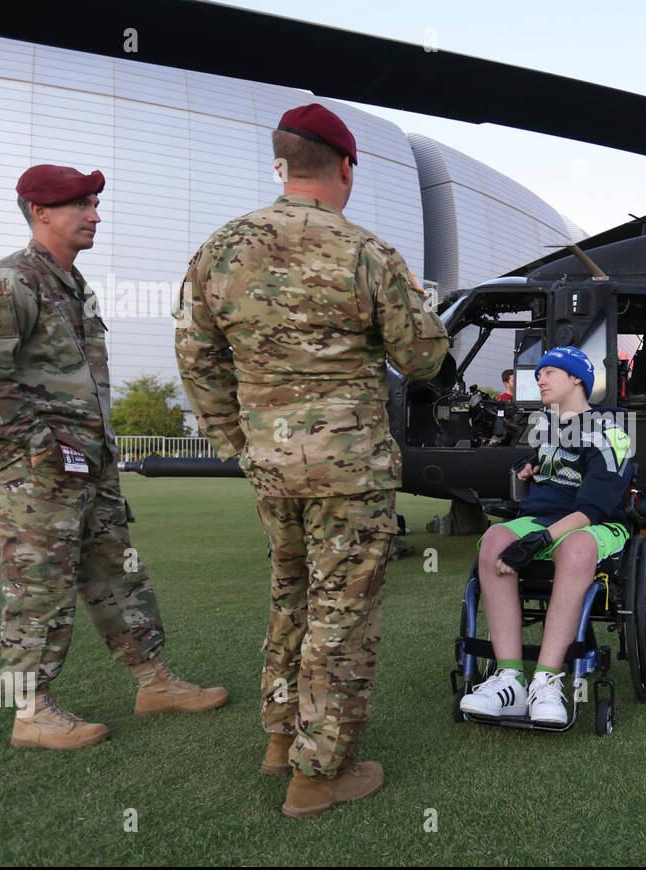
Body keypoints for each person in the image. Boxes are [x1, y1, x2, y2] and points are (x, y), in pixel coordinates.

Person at [175, 103, 449, 819]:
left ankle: (279, 737)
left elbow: (197, 357)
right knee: (342, 612)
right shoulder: (369, 252)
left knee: (289, 593)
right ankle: (319, 772)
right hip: (349, 466)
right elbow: (421, 358)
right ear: (346, 167)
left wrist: (238, 440)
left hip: (272, 462)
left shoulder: (219, 249)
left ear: (282, 163)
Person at [0, 164, 229, 751]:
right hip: (40, 475)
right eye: (80, 204)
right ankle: (33, 712)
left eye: (95, 203)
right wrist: (40, 450)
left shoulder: (73, 287)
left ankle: (153, 682)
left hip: (90, 467)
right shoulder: (8, 282)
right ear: (40, 211)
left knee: (119, 573)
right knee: (39, 586)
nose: (95, 215)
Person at [460, 345, 634, 725]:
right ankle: (509, 677)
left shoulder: (610, 431)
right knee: (493, 541)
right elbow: (547, 463)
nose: (539, 378)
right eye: (538, 373)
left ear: (577, 379)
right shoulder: (550, 428)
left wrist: (539, 541)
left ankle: (547, 679)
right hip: (542, 518)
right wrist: (527, 465)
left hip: (595, 523)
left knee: (574, 548)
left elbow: (591, 510)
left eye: (549, 372)